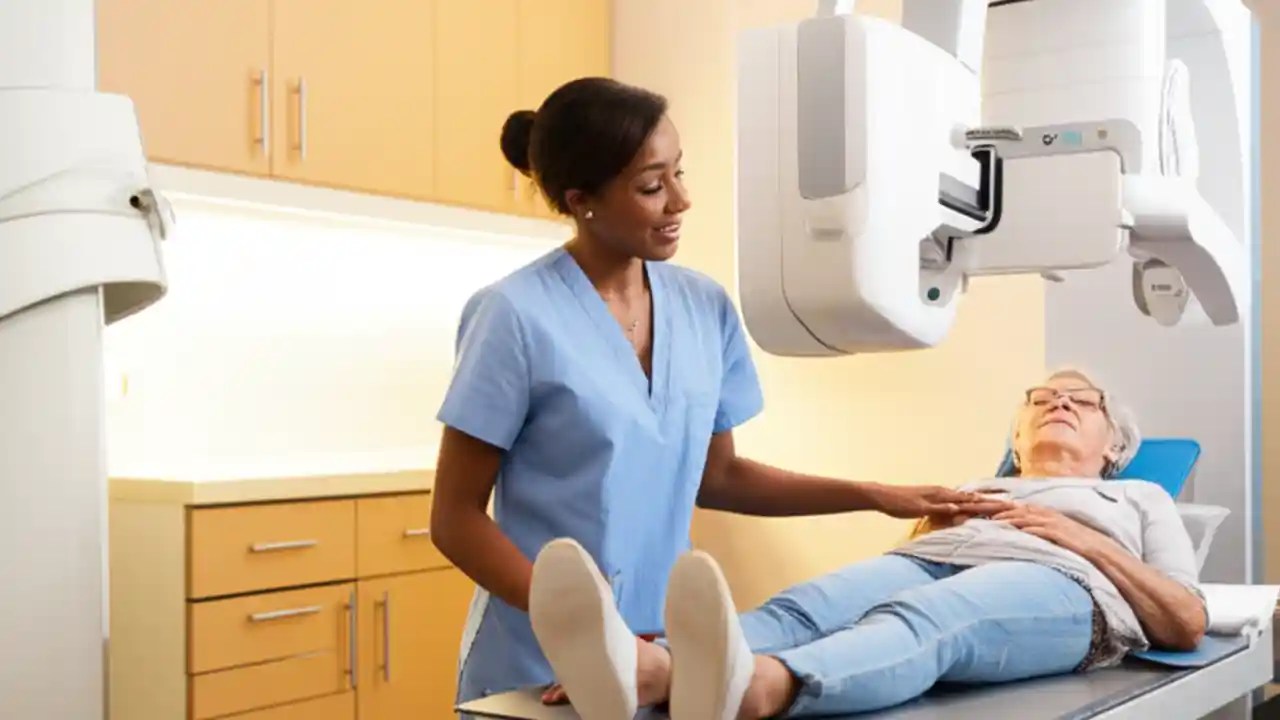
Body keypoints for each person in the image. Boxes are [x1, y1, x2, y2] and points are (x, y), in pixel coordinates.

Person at [429, 75, 1011, 708]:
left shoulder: (702, 306)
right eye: (652, 186)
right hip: (537, 656)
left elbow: (720, 476)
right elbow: (455, 519)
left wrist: (873, 495)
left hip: (668, 653)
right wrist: (586, 632)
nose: (681, 200)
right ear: (582, 199)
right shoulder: (513, 315)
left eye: (679, 173)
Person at [528, 368, 1209, 719]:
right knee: (803, 609)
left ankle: (761, 690)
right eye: (1041, 399)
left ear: (1115, 446)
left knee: (929, 621)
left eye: (1081, 401)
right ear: (1016, 441)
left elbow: (1185, 620)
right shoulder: (977, 488)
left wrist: (1082, 542)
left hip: (1066, 584)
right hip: (935, 557)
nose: (1058, 403)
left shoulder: (1137, 499)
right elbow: (914, 566)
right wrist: (933, 528)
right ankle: (647, 667)